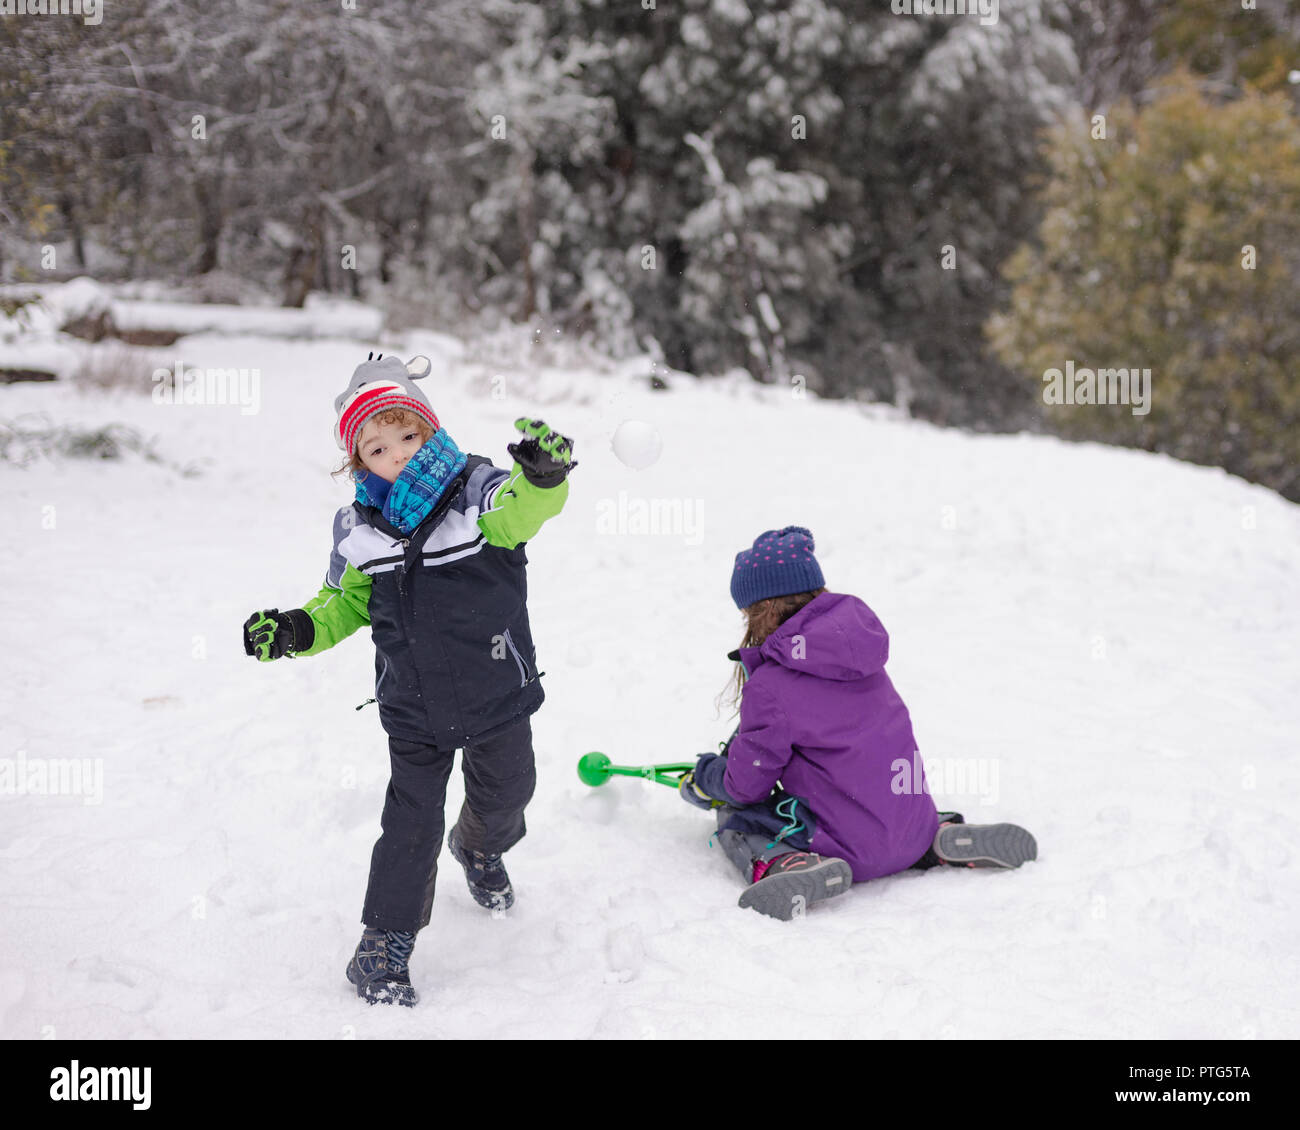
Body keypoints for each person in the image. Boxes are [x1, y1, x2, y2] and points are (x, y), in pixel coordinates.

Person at [242, 352, 575, 1005]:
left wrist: (543, 477)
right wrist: (294, 631)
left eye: (406, 435)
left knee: (508, 791)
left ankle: (480, 847)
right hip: (415, 704)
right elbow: (341, 604)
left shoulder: (478, 488)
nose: (394, 452)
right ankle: (382, 945)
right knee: (410, 823)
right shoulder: (357, 530)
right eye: (376, 445)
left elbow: (521, 509)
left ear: (429, 430)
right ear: (357, 461)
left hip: (496, 687)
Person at [680, 526, 1037, 921]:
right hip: (910, 830)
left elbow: (746, 786)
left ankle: (791, 863)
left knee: (736, 816)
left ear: (760, 611)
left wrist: (706, 777)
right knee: (873, 789)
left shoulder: (771, 686)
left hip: (848, 848)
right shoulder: (859, 659)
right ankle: (935, 837)